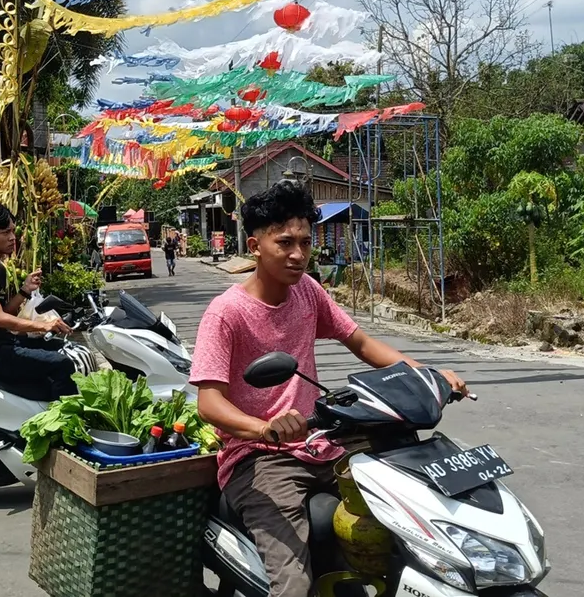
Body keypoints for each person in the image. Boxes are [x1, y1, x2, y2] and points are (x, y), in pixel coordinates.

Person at [190, 181, 468, 597]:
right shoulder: (226, 313)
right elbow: (208, 403)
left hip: (322, 444)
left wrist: (429, 375)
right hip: (260, 460)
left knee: (409, 525)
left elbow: (362, 344)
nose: (298, 254)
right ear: (255, 245)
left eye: (304, 241)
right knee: (294, 585)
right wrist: (264, 428)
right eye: (284, 242)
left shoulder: (308, 291)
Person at [0, 202, 78, 401]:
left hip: (0, 343)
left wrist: (24, 291)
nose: (13, 238)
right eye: (5, 233)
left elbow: (4, 312)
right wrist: (43, 325)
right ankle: (64, 425)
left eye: (13, 231)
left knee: (59, 348)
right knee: (62, 363)